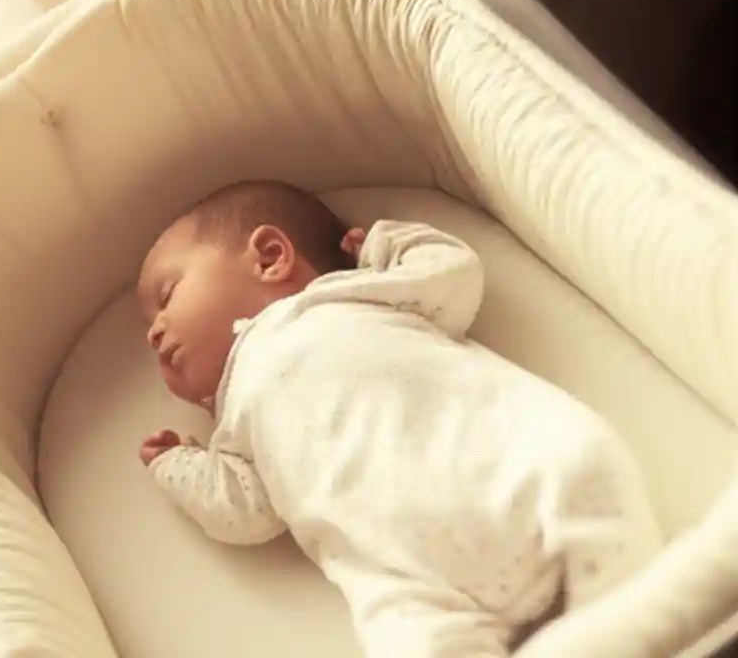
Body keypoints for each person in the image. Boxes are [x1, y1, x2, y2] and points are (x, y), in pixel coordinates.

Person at [136, 180, 661, 656]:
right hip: (407, 579)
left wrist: (384, 246)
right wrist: (179, 465)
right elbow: (243, 513)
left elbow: (452, 277)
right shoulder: (236, 427)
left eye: (167, 296)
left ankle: (636, 612)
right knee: (405, 638)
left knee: (581, 462)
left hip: (503, 471)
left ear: (270, 257)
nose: (154, 332)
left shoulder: (345, 297)